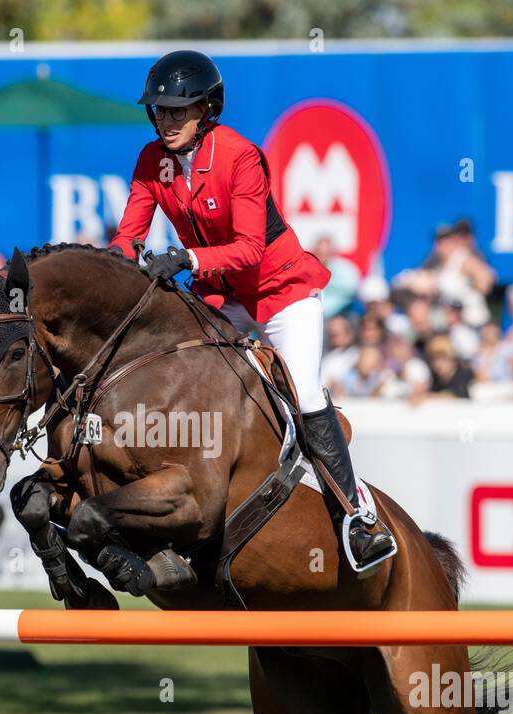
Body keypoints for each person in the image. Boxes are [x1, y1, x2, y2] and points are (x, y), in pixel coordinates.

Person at [108, 50, 394, 569]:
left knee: (304, 393)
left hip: (282, 292)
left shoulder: (239, 155)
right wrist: (103, 272)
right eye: (161, 111)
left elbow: (249, 249)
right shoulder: (153, 161)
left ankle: (358, 518)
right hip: (224, 298)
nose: (166, 120)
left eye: (178, 110)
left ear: (207, 110)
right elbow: (127, 240)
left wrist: (187, 257)